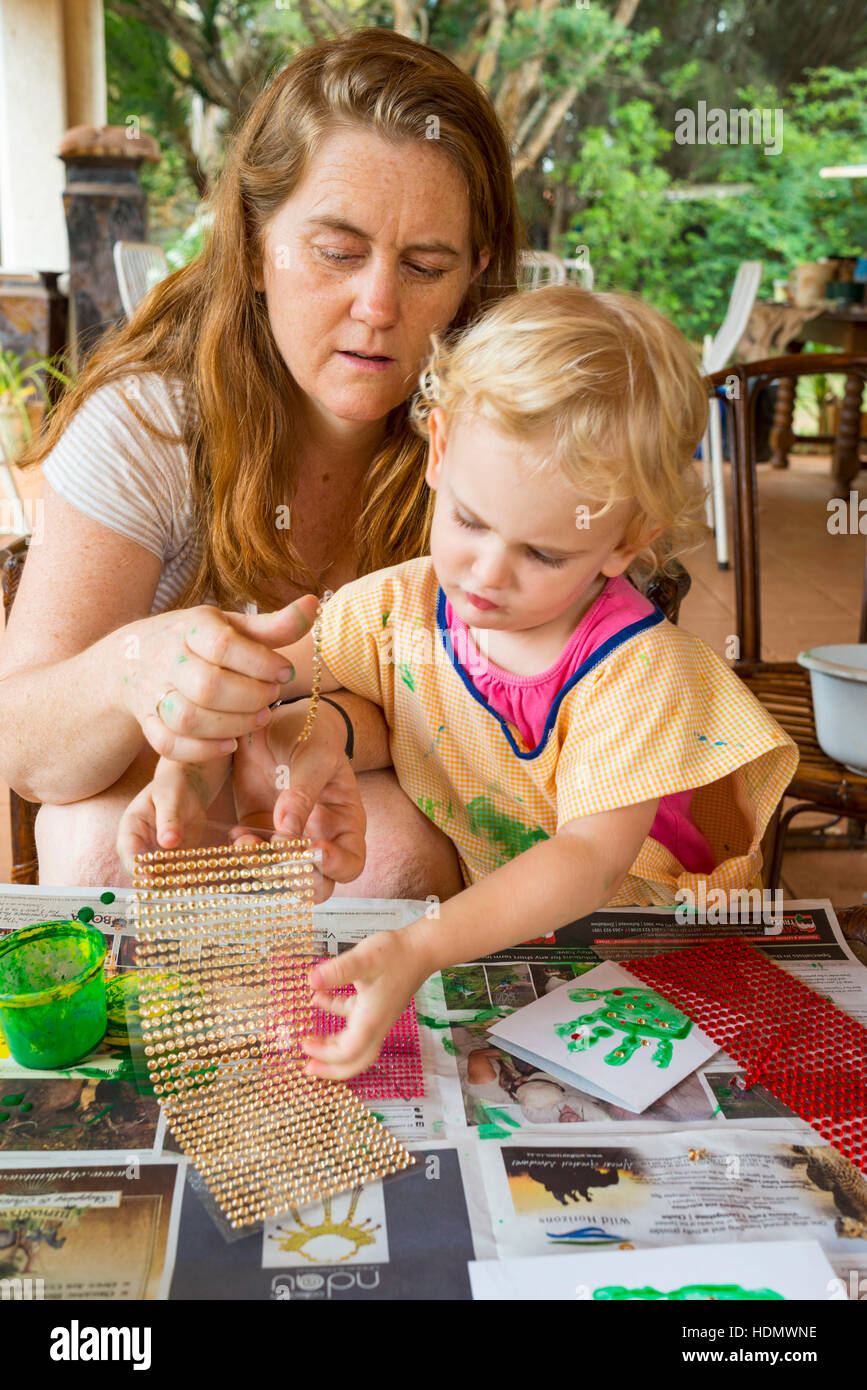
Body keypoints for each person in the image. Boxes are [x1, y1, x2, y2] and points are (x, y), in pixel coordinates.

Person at [117, 285, 799, 1076]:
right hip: (500, 945)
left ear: (625, 541)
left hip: (642, 956)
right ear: (438, 450)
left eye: (543, 553)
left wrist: (419, 947)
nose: (485, 574)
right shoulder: (402, 604)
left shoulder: (640, 674)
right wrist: (185, 771)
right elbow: (252, 676)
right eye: (471, 521)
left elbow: (589, 861)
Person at [0, 29, 522, 900]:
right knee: (98, 841)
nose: (379, 305)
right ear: (251, 247)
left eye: (425, 265)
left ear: (473, 275)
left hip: (361, 775)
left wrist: (302, 736)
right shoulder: (151, 424)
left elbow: (505, 710)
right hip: (156, 783)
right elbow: (22, 751)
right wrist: (133, 668)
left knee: (393, 855)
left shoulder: (496, 436)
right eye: (337, 252)